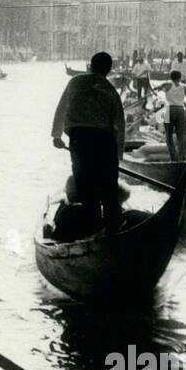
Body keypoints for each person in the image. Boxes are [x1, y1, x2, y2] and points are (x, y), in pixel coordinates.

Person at [51, 51, 125, 237]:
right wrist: (118, 156)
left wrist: (56, 135)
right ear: (108, 70)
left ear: (90, 65)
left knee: (85, 183)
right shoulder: (111, 90)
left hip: (79, 139)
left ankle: (92, 224)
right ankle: (113, 228)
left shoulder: (75, 82)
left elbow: (61, 108)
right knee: (109, 185)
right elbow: (120, 126)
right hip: (103, 140)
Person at [163, 69, 186, 161]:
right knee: (182, 135)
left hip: (169, 110)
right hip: (181, 110)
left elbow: (158, 88)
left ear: (171, 77)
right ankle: (182, 156)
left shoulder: (167, 85)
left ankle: (174, 158)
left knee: (168, 136)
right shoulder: (184, 87)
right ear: (180, 78)